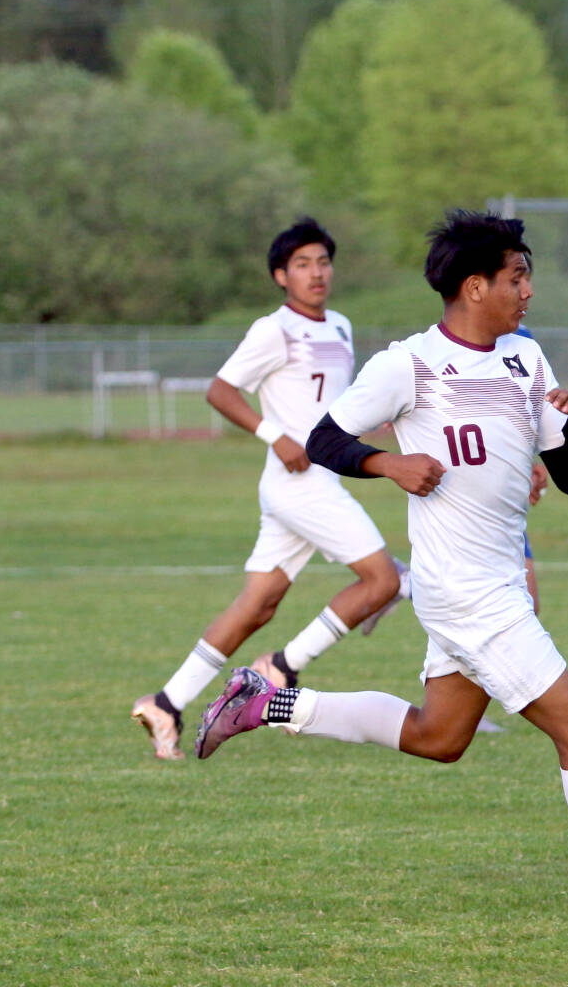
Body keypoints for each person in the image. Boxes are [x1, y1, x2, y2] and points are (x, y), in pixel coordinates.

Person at [193, 210, 568, 948]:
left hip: (498, 583)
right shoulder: (410, 363)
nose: (528, 291)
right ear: (474, 285)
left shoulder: (526, 360)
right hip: (467, 593)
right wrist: (388, 464)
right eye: (517, 278)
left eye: (528, 277)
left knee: (441, 736)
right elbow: (325, 438)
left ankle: (269, 702)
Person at [131, 217, 410, 761]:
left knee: (258, 605)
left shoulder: (341, 326)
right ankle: (280, 668)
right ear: (281, 275)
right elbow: (220, 389)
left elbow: (336, 402)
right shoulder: (272, 329)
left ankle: (167, 702)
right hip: (296, 482)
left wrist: (372, 424)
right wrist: (274, 434)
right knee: (383, 580)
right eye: (302, 265)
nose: (316, 273)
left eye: (323, 262)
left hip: (314, 479)